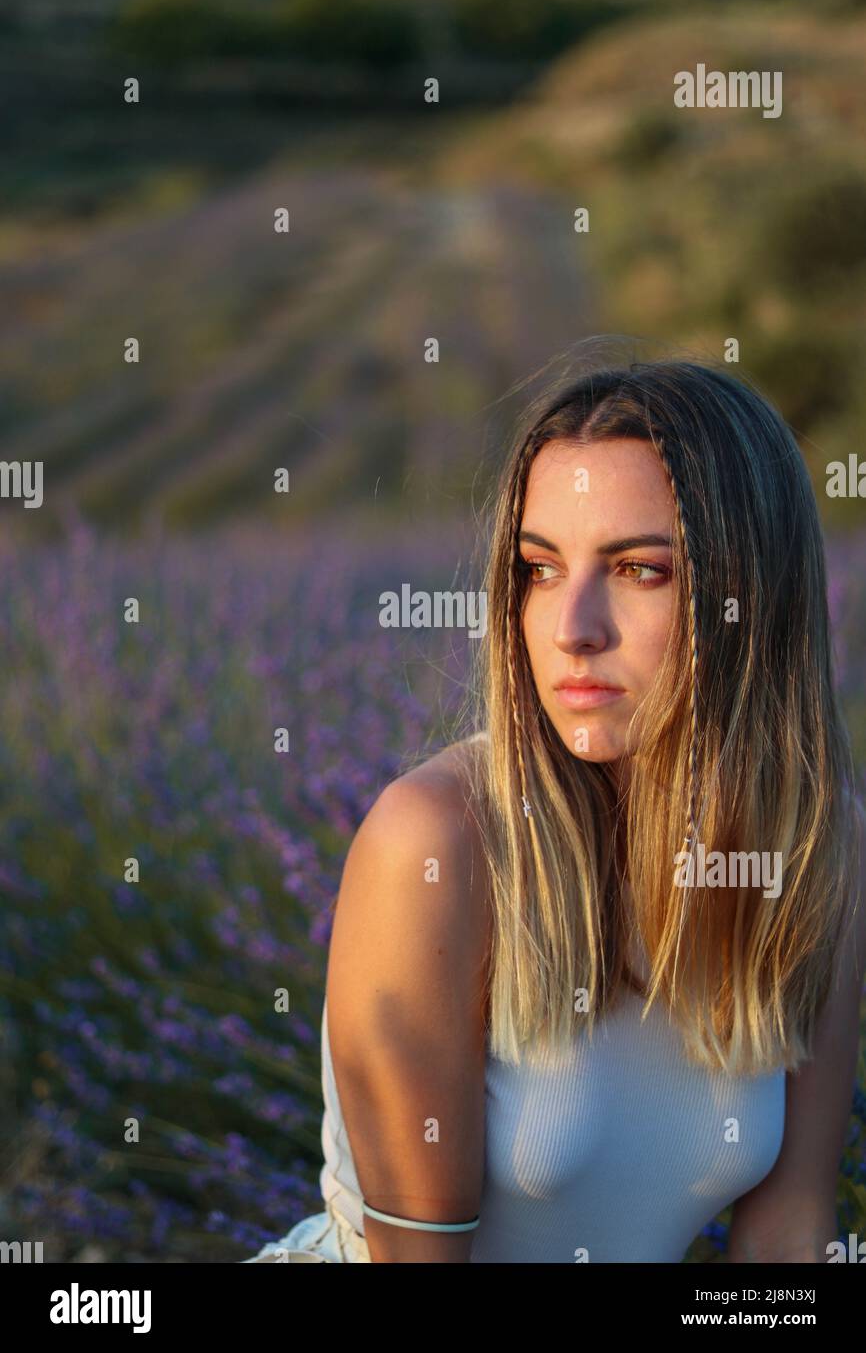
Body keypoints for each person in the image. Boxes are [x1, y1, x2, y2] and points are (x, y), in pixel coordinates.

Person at [244, 353, 866, 1264]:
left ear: (751, 598)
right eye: (539, 568)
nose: (572, 624)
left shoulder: (819, 848)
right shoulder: (441, 842)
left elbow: (788, 1235)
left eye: (639, 570)